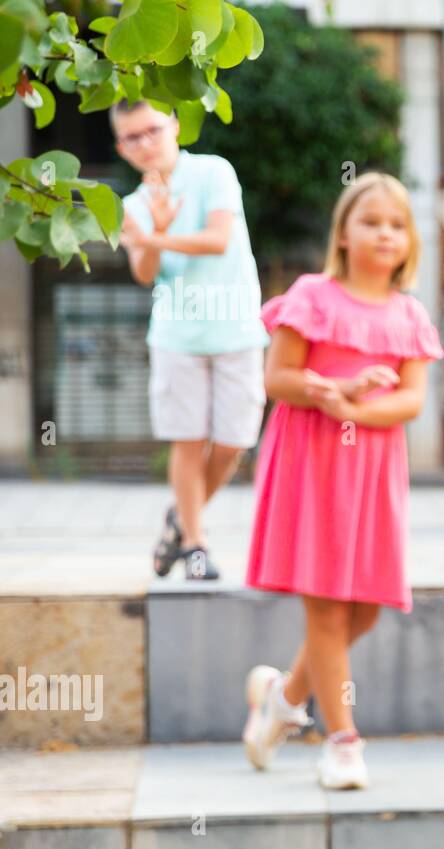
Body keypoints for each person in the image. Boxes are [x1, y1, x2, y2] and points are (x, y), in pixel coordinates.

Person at [241, 173, 444, 790]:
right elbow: (277, 377)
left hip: (374, 469)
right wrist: (327, 392)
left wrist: (355, 410)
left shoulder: (409, 313)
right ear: (344, 233)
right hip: (313, 463)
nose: (385, 233)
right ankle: (343, 742)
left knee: (363, 612)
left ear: (409, 241)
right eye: (371, 221)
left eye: (397, 223)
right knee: (326, 609)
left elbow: (410, 400)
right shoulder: (312, 296)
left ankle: (280, 698)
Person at [115, 100, 267, 581]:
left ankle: (180, 519)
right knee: (188, 440)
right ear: (121, 147)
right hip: (176, 335)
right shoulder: (131, 205)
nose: (144, 144)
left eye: (152, 131)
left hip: (236, 327)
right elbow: (144, 273)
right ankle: (196, 545)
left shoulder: (214, 172)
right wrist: (152, 233)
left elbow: (216, 239)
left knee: (233, 442)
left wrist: (154, 237)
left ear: (175, 126)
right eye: (132, 137)